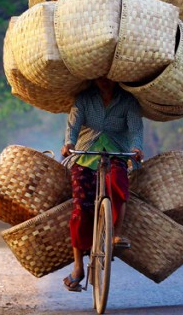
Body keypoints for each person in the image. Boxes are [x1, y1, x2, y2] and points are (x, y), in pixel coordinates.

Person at [60, 76, 144, 292]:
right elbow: (73, 125)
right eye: (100, 78)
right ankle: (78, 267)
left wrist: (136, 147)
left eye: (109, 78)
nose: (104, 81)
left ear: (116, 78)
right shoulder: (84, 99)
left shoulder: (128, 101)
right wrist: (68, 143)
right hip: (86, 154)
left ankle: (116, 233)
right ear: (94, 79)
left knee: (117, 182)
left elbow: (135, 129)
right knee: (80, 208)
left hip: (116, 152)